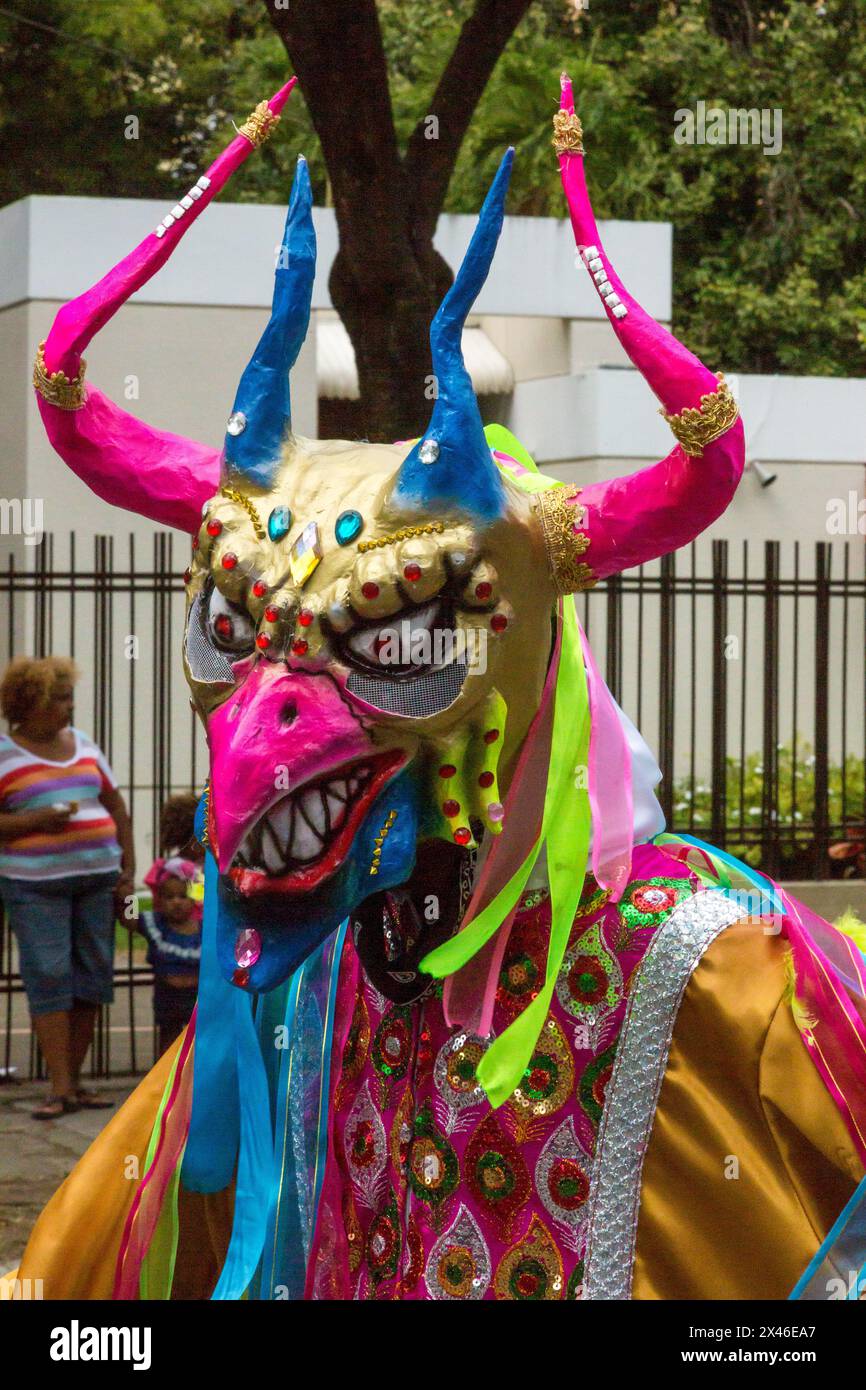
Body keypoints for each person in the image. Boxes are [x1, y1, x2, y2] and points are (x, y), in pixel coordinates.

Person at [13, 75, 866, 1301]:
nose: (266, 720)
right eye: (235, 633)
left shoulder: (697, 968)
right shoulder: (303, 972)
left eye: (396, 644)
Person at [0, 656, 134, 1120]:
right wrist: (38, 819)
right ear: (27, 704)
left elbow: (117, 808)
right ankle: (59, 1087)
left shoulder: (82, 744)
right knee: (51, 977)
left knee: (93, 978)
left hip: (97, 880)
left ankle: (72, 1085)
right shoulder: (5, 754)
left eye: (67, 696)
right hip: (35, 887)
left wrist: (128, 871)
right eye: (57, 698)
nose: (68, 706)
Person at [133, 856, 202, 1056]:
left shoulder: (204, 930)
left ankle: (193, 1081)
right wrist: (127, 897)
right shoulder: (157, 926)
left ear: (194, 899)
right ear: (159, 901)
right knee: (167, 1041)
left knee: (198, 1041)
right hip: (167, 996)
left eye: (183, 896)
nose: (176, 902)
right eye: (169, 898)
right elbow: (128, 919)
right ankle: (164, 1081)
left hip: (196, 998)